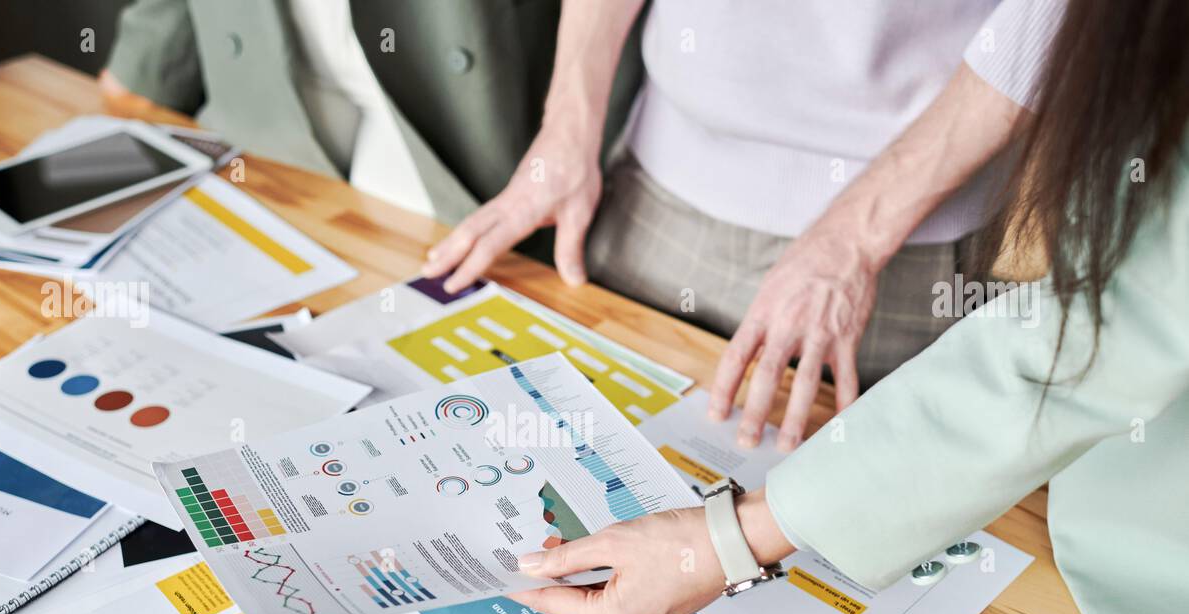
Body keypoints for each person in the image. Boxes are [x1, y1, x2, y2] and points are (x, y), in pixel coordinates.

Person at [513, 0, 1189, 614]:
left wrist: (724, 542)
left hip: (921, 239)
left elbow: (1103, 344)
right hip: (655, 190)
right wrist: (570, 120)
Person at [424, 0, 1066, 451]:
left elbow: (1056, 18)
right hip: (650, 210)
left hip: (910, 256)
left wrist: (854, 236)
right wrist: (568, 125)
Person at [100, 0, 642, 225]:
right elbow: (133, 86)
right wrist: (146, 61)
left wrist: (570, 133)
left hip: (451, 121)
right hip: (264, 111)